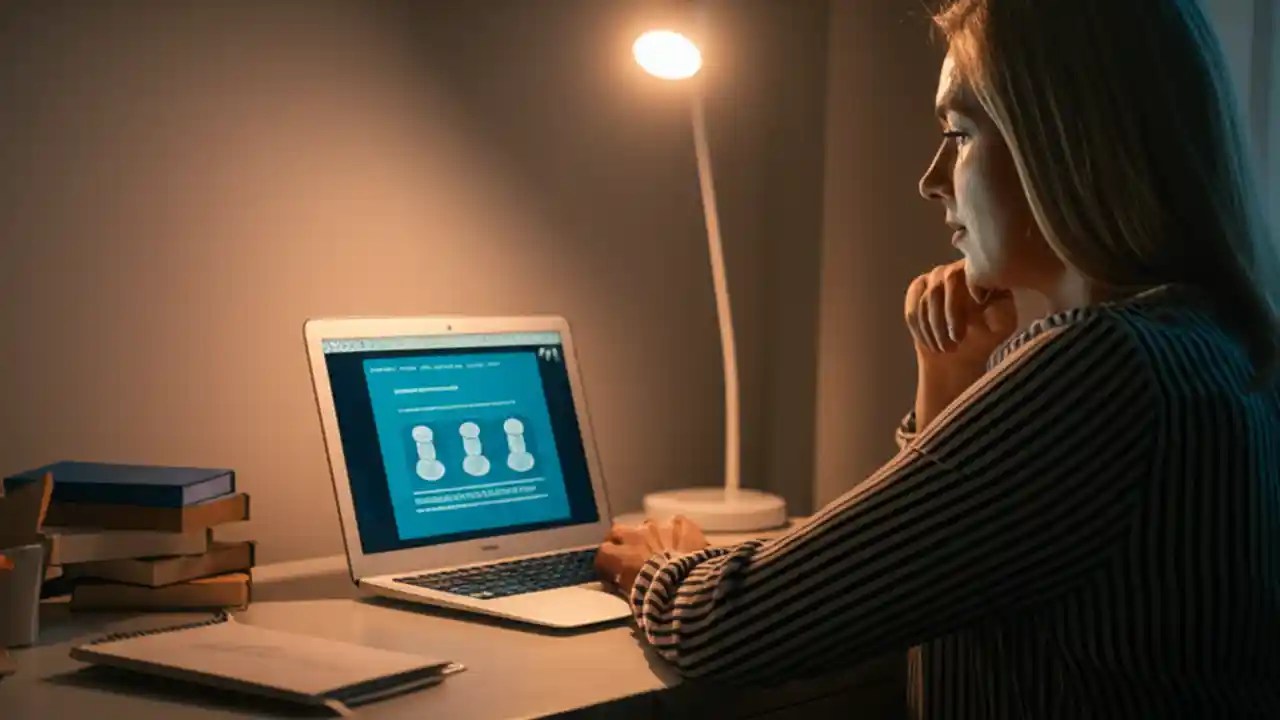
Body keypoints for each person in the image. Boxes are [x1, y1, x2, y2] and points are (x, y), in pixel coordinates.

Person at [594, 0, 1280, 716]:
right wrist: (949, 375)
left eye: (958, 134)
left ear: (1066, 146)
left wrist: (664, 564)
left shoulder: (1103, 366)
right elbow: (945, 561)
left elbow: (728, 628)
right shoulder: (1223, 345)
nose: (932, 178)